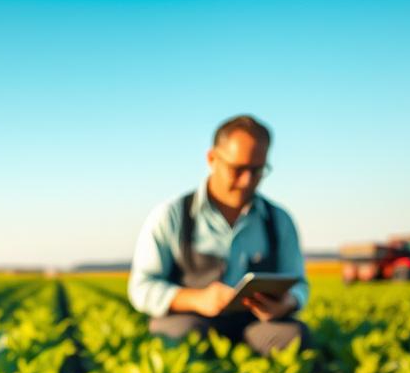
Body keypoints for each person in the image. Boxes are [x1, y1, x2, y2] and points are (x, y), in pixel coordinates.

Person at [127, 115, 310, 354]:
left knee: (293, 336)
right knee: (182, 336)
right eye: (238, 169)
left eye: (257, 171)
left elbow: (299, 283)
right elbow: (141, 287)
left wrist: (288, 302)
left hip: (255, 325)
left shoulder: (279, 220)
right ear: (212, 159)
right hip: (192, 320)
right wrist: (196, 299)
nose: (247, 181)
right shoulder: (171, 215)